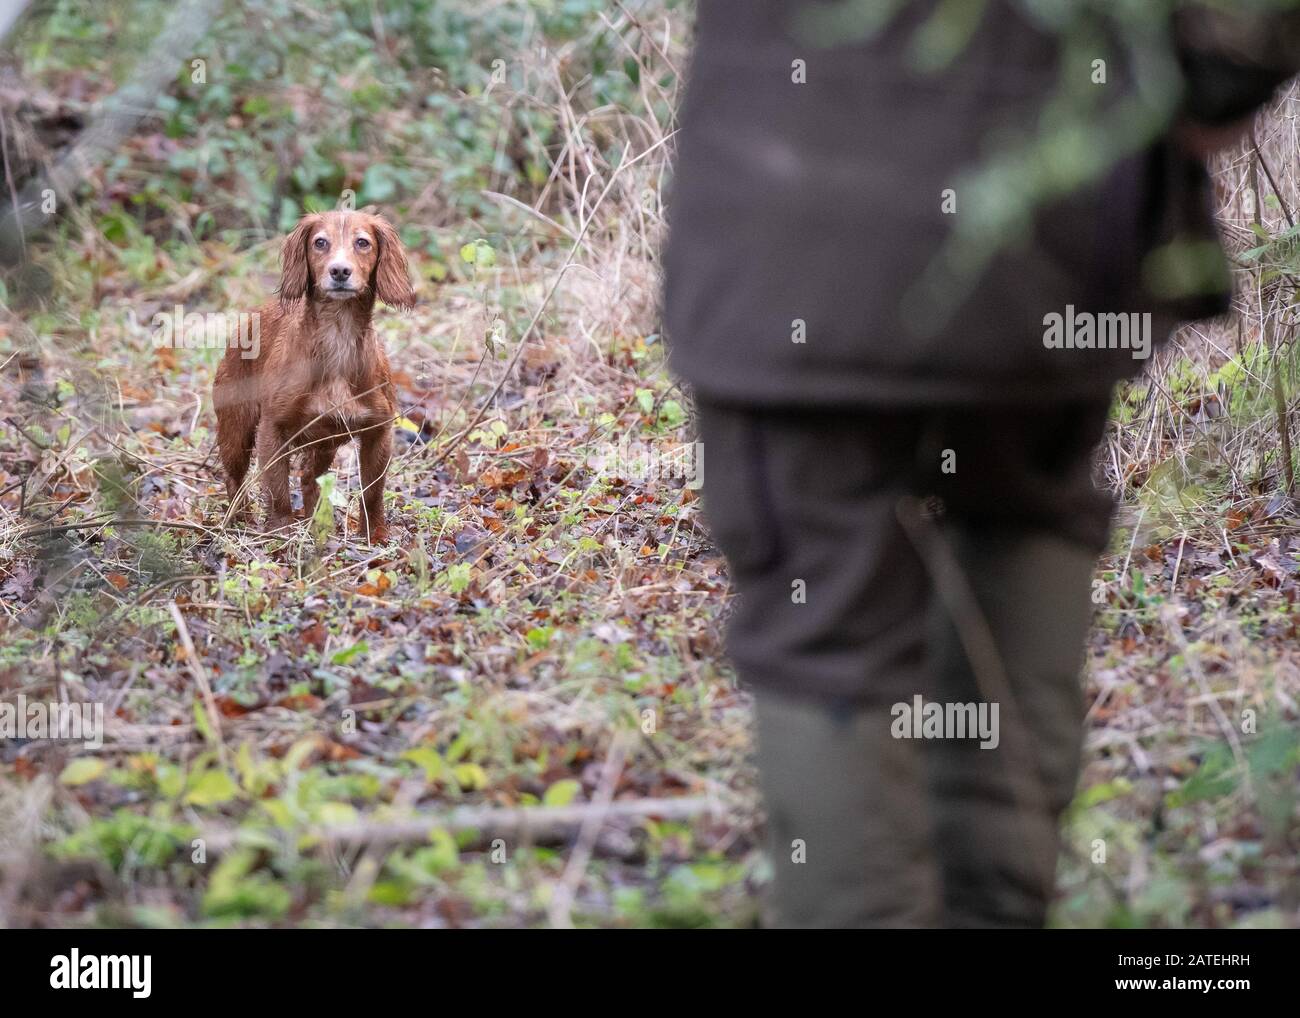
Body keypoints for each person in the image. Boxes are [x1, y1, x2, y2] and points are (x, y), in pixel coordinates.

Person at [663, 0, 1300, 927]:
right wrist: (1208, 85)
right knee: (1019, 540)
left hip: (789, 239)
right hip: (1047, 222)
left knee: (832, 630)